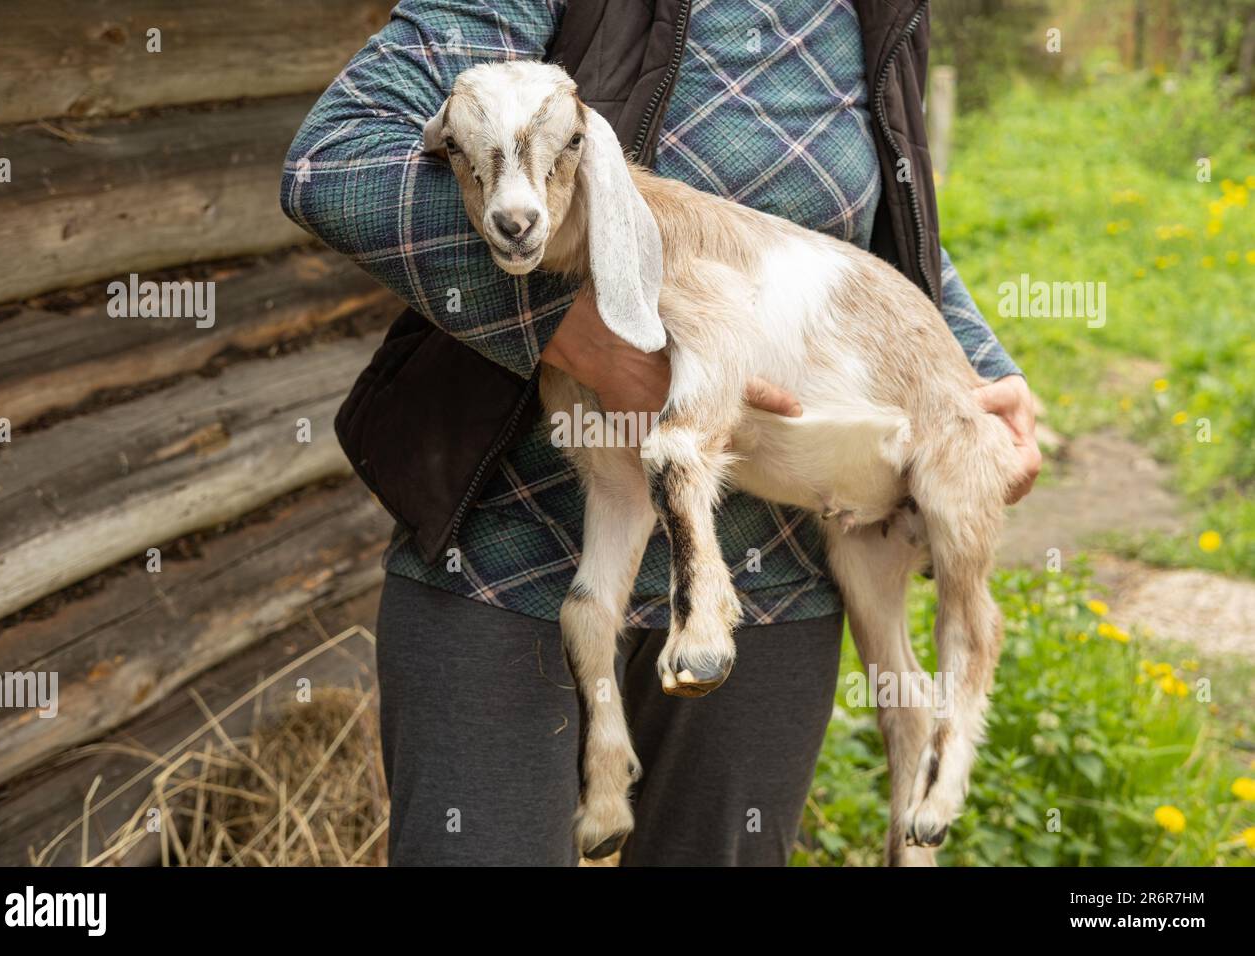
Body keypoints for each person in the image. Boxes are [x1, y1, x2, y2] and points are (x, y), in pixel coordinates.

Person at [281, 0, 1042, 866]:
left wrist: (979, 368)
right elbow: (331, 162)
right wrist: (573, 328)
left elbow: (873, 220)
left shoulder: (868, 9)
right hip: (508, 550)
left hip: (772, 568)